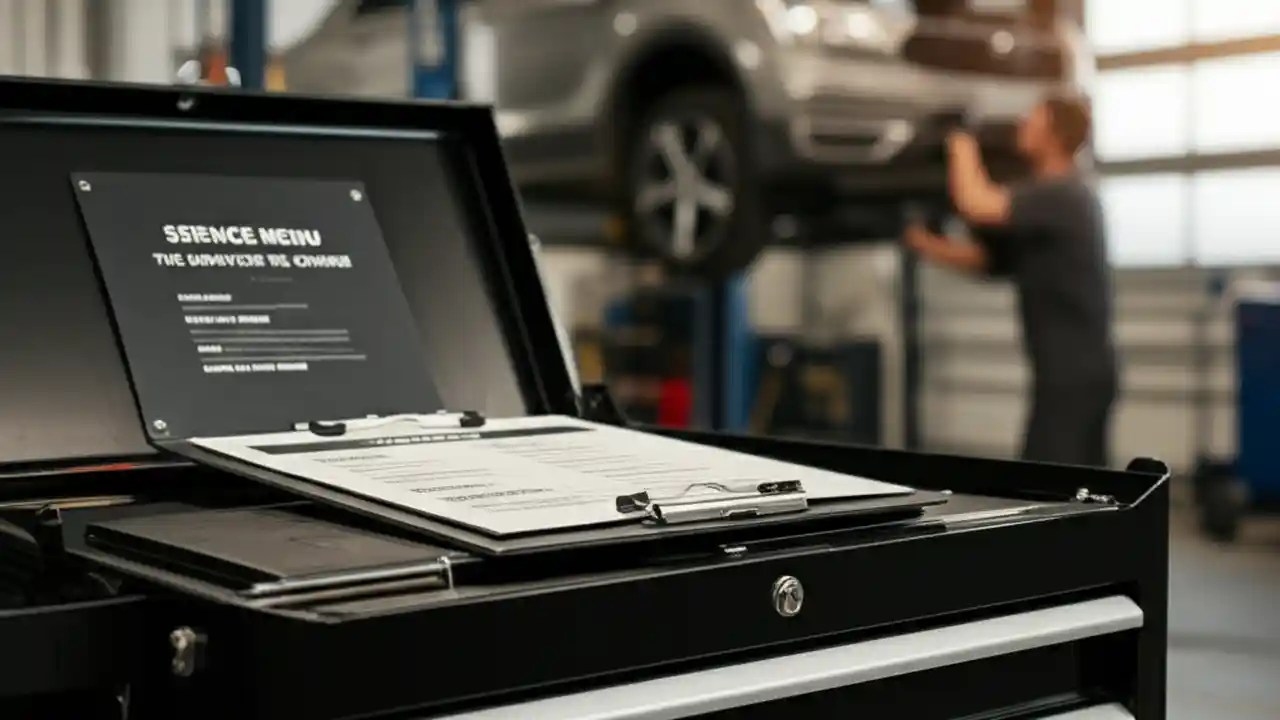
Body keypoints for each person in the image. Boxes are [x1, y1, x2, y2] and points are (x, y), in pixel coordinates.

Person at [904, 95, 1116, 467]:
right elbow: (985, 261)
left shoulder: (1062, 194)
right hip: (1073, 374)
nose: (1021, 125)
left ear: (1053, 133)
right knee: (1079, 489)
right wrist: (923, 242)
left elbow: (976, 202)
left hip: (1073, 378)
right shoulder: (1051, 203)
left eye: (1032, 119)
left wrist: (960, 139)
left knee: (1046, 488)